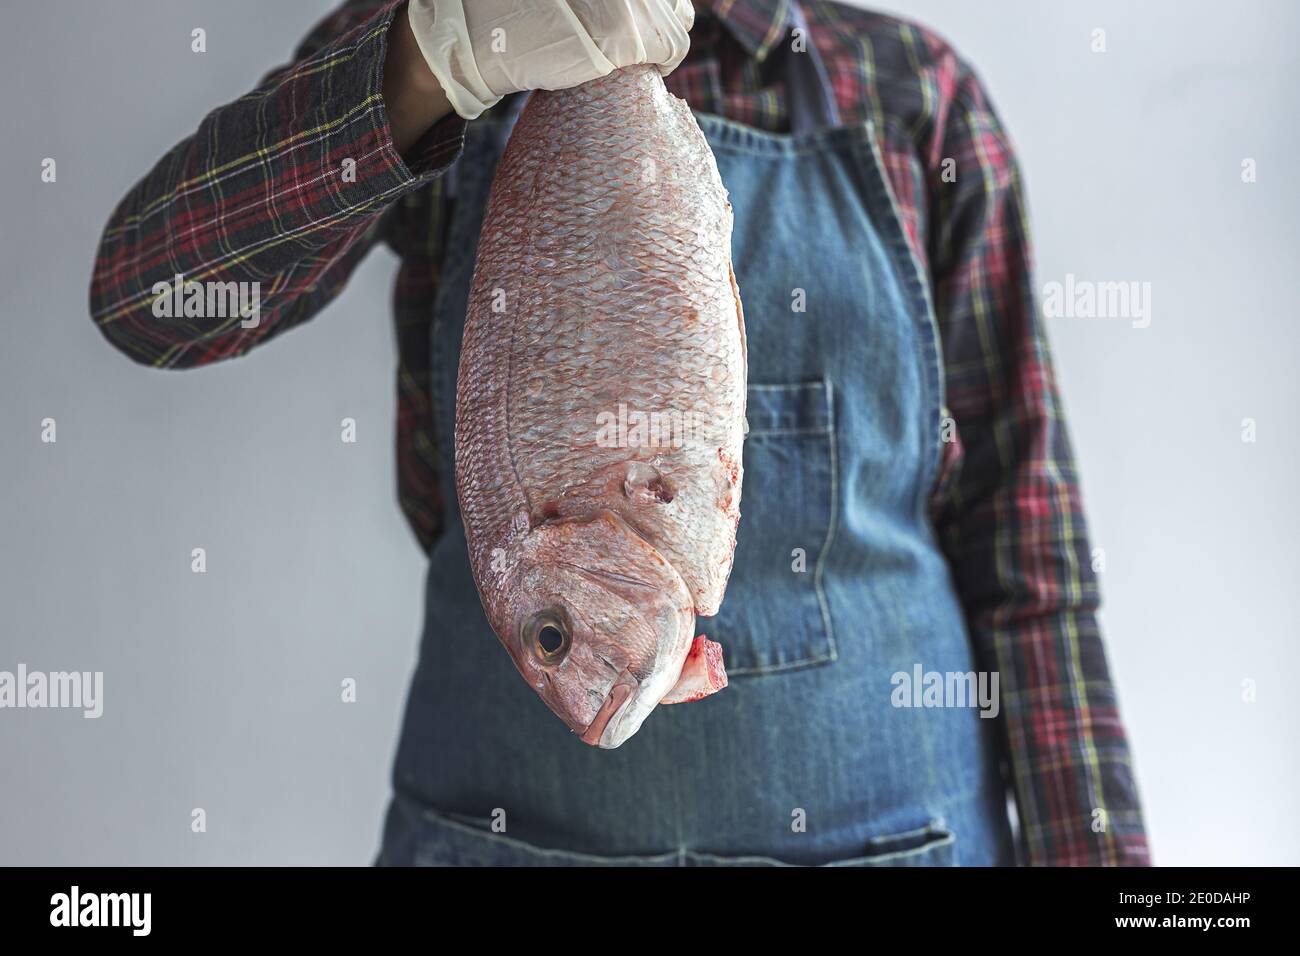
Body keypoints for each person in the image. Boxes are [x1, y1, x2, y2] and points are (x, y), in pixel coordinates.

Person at [89, 0, 1150, 866]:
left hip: (900, 843)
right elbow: (151, 298)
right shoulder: (444, 32)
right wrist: (431, 57)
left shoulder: (912, 91)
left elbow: (1032, 558)